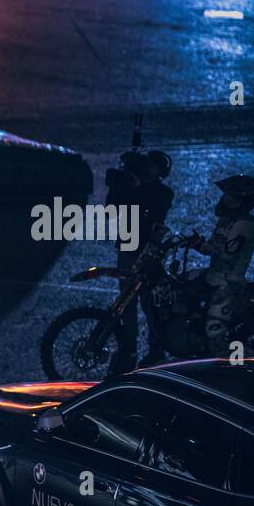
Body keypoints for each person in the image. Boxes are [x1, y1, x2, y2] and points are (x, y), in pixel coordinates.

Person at [108, 149, 174, 366]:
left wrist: (137, 187)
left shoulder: (163, 193)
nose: (147, 169)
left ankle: (156, 351)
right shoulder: (131, 186)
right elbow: (111, 208)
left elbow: (153, 213)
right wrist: (120, 183)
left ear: (160, 171)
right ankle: (128, 349)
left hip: (148, 253)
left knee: (150, 304)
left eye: (152, 166)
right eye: (146, 165)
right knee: (126, 304)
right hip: (127, 250)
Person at [193, 175, 254, 356]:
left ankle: (222, 367)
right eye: (227, 196)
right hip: (212, 276)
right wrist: (198, 244)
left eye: (233, 198)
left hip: (228, 284)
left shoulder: (246, 225)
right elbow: (212, 245)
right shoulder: (225, 220)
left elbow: (227, 254)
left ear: (244, 202)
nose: (227, 200)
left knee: (213, 330)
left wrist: (211, 248)